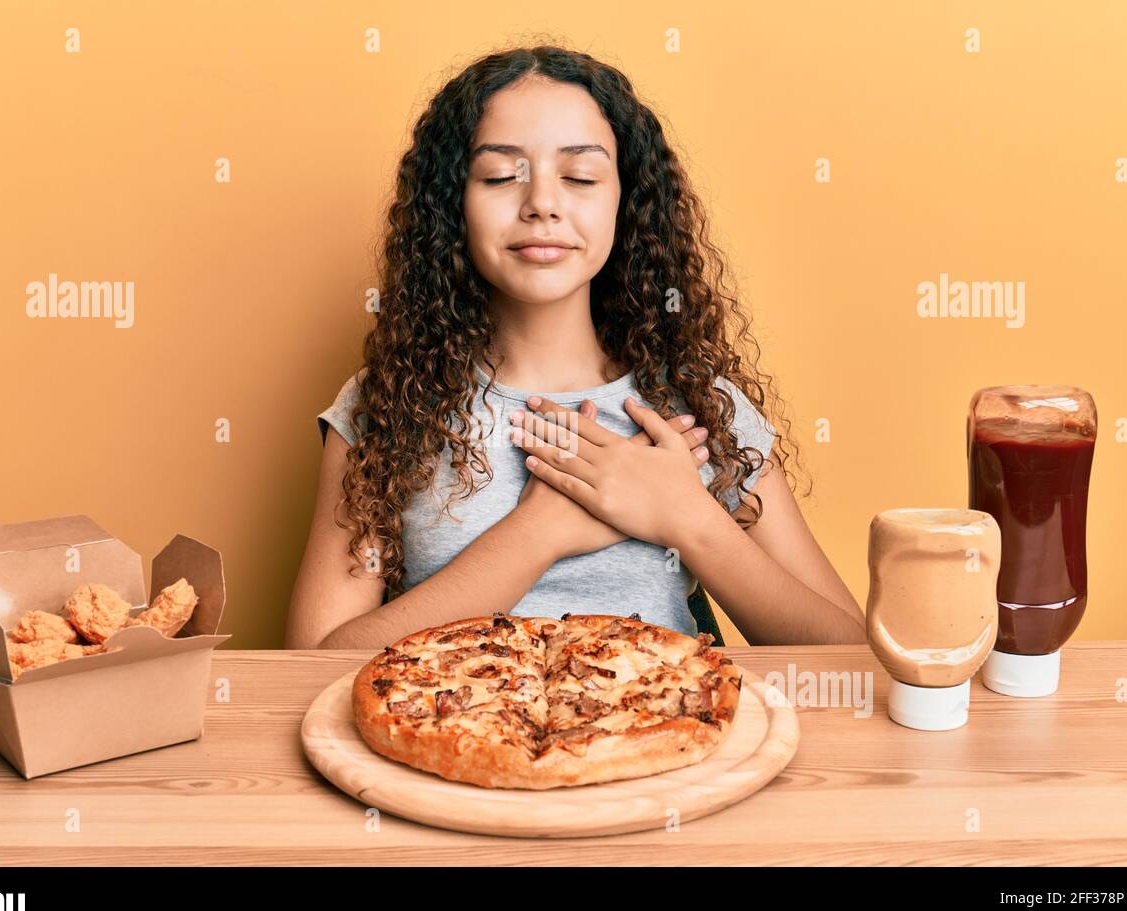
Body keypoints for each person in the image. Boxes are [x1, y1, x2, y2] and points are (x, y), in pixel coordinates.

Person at [287, 46, 865, 649]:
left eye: (580, 177)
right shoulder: (386, 404)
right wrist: (537, 534)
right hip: (450, 728)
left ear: (626, 200)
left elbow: (851, 663)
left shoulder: (697, 403)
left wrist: (688, 517)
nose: (542, 204)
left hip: (658, 729)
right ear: (453, 204)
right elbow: (310, 666)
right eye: (499, 176)